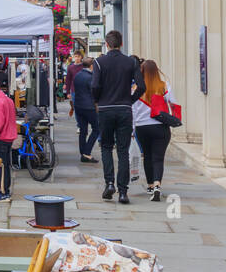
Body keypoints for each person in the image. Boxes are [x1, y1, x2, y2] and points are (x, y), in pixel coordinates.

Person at [91, 30, 145, 204]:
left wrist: (98, 100)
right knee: (123, 150)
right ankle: (123, 191)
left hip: (106, 108)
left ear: (107, 44)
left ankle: (109, 183)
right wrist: (130, 100)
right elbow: (141, 86)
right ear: (121, 44)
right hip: (124, 109)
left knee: (106, 146)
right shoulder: (130, 62)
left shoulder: (99, 62)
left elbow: (95, 86)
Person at [133, 59, 175, 202]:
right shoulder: (164, 86)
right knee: (158, 157)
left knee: (147, 156)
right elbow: (173, 104)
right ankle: (157, 184)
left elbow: (132, 111)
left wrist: (132, 130)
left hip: (142, 127)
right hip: (160, 126)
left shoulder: (136, 89)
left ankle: (150, 185)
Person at [72, 56, 100, 163]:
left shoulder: (78, 75)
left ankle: (82, 152)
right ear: (92, 66)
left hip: (78, 106)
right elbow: (94, 92)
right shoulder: (91, 77)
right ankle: (87, 152)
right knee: (97, 129)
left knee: (83, 130)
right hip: (89, 107)